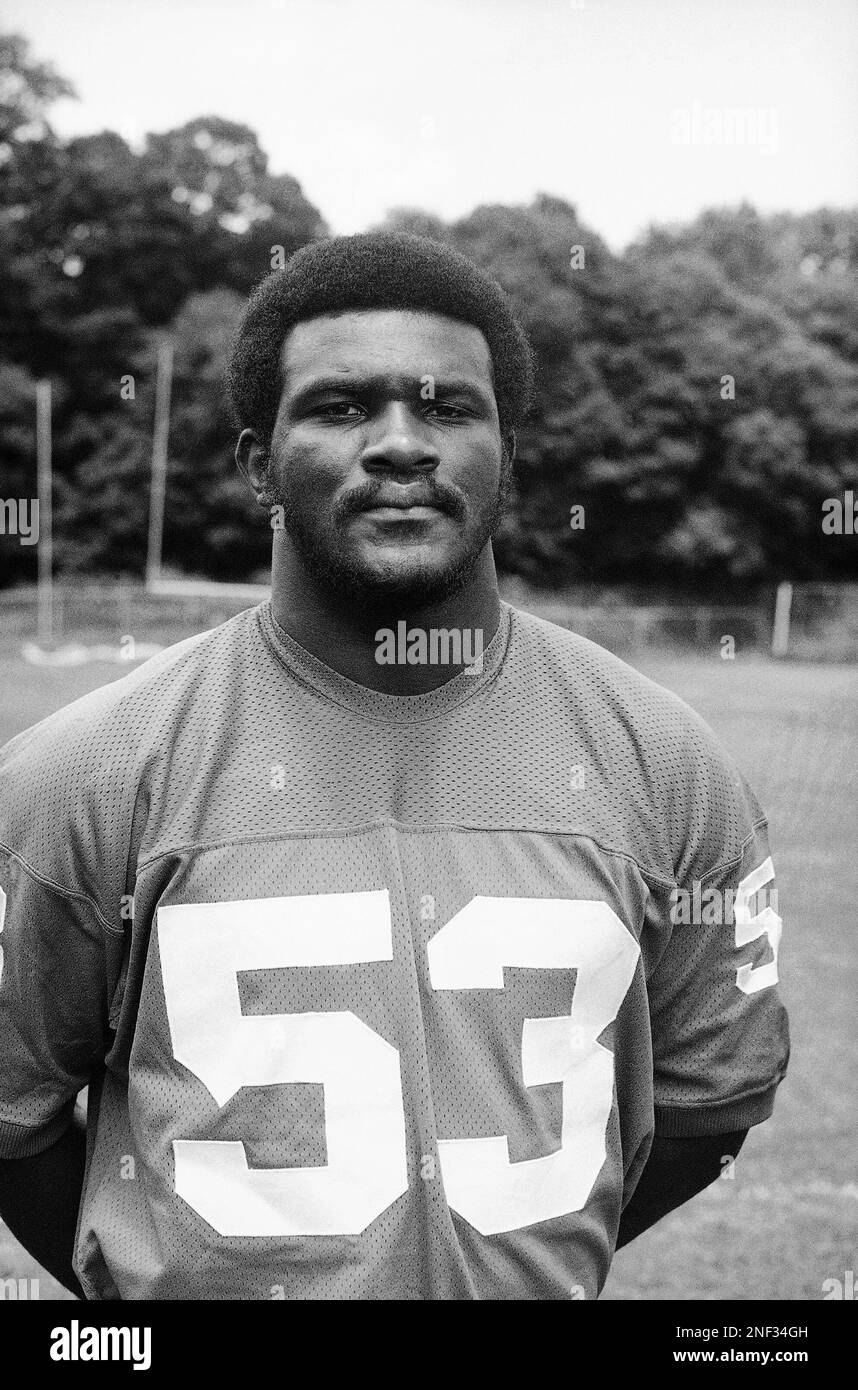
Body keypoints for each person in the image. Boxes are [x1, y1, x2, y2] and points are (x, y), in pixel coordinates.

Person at [0, 233, 789, 1300]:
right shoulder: (83, 772)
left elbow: (707, 1109)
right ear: (254, 463)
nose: (401, 445)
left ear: (510, 456)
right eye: (340, 407)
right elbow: (13, 1122)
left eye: (448, 409)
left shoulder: (666, 761)